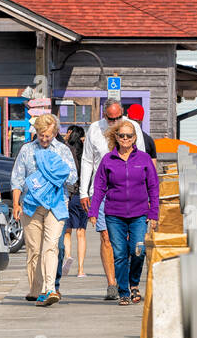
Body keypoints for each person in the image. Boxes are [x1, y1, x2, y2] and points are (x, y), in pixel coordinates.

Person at [89, 118, 159, 306]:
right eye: (122, 136)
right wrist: (94, 211)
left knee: (138, 251)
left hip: (139, 213)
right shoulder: (108, 160)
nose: (126, 139)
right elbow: (100, 188)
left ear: (135, 138)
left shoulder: (143, 159)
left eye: (129, 136)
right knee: (119, 253)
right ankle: (124, 291)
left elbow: (153, 186)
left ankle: (134, 284)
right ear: (116, 138)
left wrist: (154, 214)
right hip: (114, 214)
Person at [11, 114, 77, 306]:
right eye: (41, 135)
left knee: (51, 246)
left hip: (56, 204)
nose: (45, 139)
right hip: (31, 205)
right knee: (34, 249)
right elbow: (17, 179)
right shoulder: (27, 150)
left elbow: (72, 177)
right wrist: (16, 204)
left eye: (48, 135)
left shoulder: (63, 150)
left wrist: (52, 171)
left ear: (55, 132)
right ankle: (35, 287)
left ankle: (49, 289)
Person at [80, 99, 125, 301]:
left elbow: (142, 158)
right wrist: (83, 192)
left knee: (126, 240)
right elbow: (87, 160)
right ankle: (111, 284)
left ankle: (125, 281)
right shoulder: (94, 130)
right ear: (104, 114)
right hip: (102, 190)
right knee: (106, 237)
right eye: (111, 118)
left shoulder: (132, 128)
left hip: (127, 191)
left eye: (118, 117)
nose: (115, 122)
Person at [61, 125, 88, 278]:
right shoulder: (84, 152)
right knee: (81, 233)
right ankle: (81, 269)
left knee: (67, 231)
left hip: (68, 195)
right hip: (82, 195)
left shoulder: (65, 150)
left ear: (70, 133)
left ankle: (68, 256)